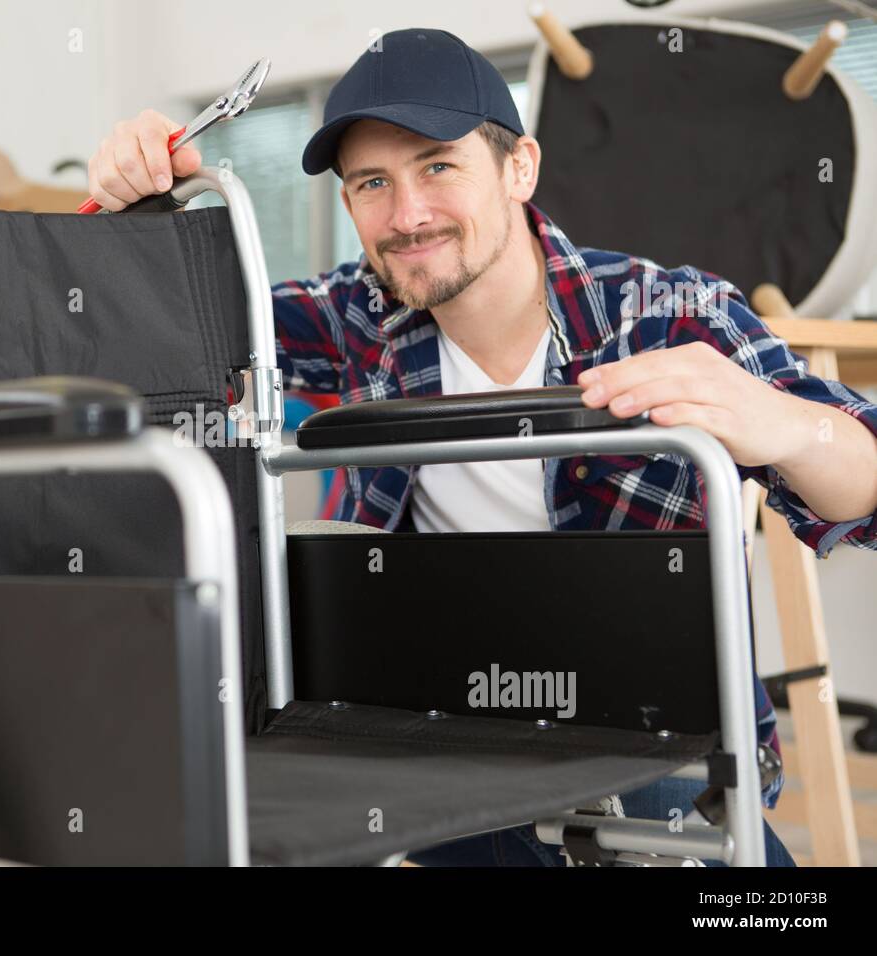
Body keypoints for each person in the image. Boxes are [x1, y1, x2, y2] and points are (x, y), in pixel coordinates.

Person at [85, 28, 877, 866]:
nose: (407, 214)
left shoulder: (672, 313)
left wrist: (790, 424)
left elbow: (864, 491)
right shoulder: (355, 313)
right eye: (372, 184)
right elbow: (163, 329)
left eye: (437, 166)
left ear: (519, 168)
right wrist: (139, 209)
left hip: (654, 754)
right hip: (428, 748)